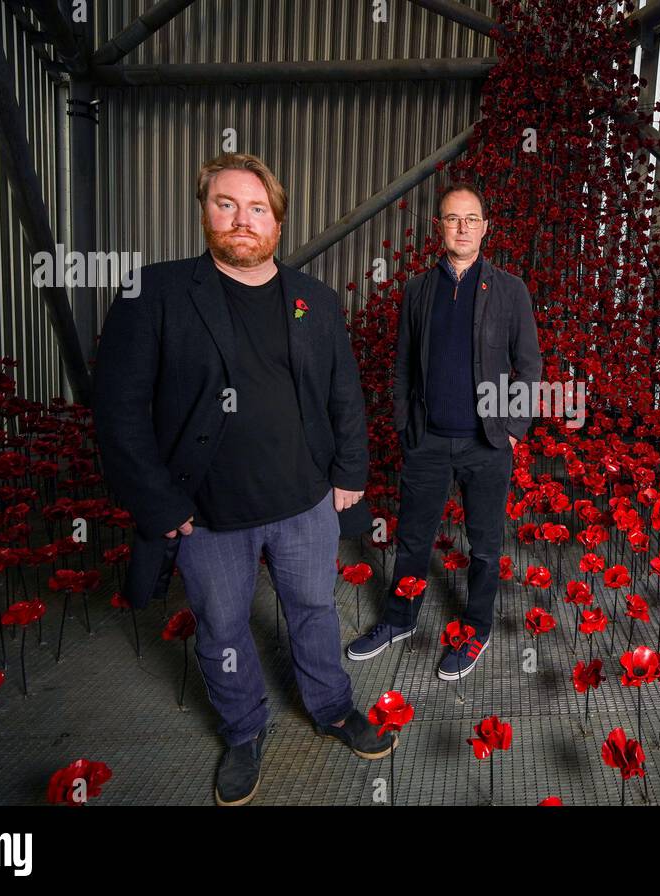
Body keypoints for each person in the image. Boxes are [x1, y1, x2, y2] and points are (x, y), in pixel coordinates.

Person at [93, 153, 392, 807]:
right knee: (222, 626)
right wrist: (158, 500)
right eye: (226, 203)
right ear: (203, 211)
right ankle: (242, 730)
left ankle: (333, 707)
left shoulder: (313, 299)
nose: (242, 219)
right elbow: (117, 410)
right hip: (205, 511)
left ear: (278, 222)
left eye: (258, 208)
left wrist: (349, 472)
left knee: (315, 610)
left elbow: (344, 391)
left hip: (304, 500)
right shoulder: (155, 293)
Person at [346, 182, 542, 680]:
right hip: (428, 441)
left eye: (471, 218)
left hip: (487, 444)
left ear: (484, 227)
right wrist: (405, 427)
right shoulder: (417, 290)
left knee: (484, 545)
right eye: (452, 219)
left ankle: (475, 628)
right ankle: (399, 619)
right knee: (412, 539)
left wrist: (514, 430)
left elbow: (530, 367)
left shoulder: (510, 290)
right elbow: (403, 369)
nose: (462, 227)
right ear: (439, 227)